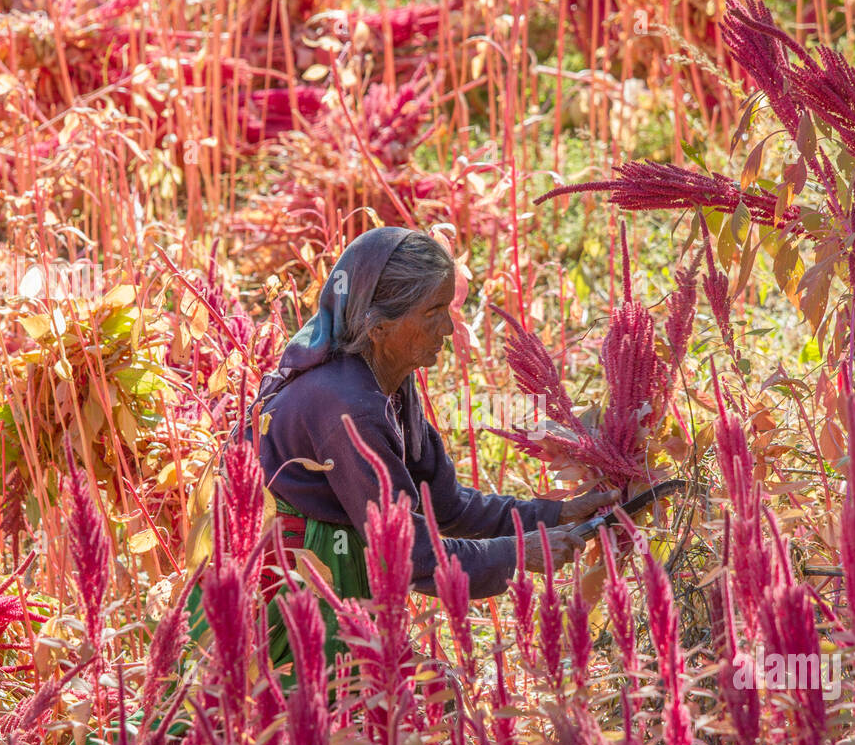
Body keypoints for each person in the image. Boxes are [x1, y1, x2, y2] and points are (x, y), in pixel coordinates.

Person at [230, 226, 618, 674]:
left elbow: (445, 504)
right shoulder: (347, 407)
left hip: (335, 572)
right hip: (289, 594)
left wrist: (557, 515)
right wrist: (517, 552)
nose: (450, 328)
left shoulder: (389, 384)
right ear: (380, 325)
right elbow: (405, 554)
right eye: (434, 311)